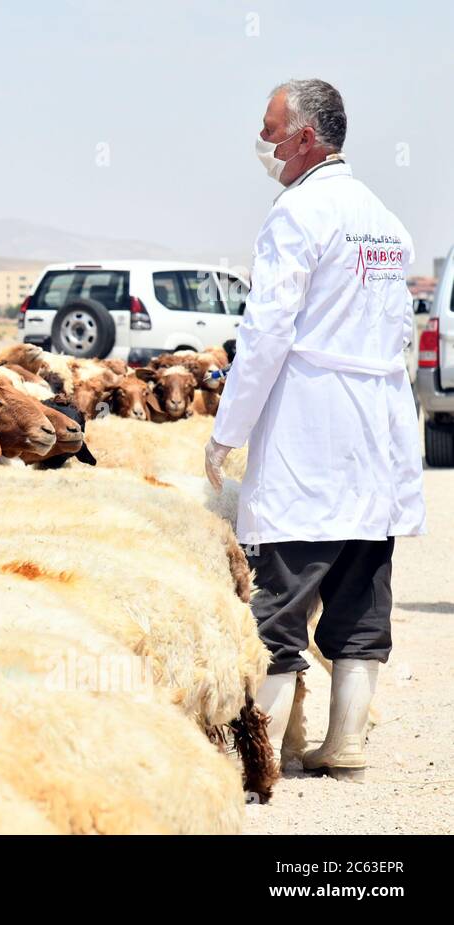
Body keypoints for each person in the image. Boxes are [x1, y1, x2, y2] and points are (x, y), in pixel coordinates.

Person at [205, 80, 425, 783]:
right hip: (378, 427)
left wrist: (226, 431)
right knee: (362, 590)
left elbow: (265, 333)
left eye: (271, 132)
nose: (264, 146)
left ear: (305, 137)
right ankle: (347, 742)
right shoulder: (387, 223)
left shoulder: (298, 213)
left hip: (310, 424)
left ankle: (262, 754)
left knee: (279, 599)